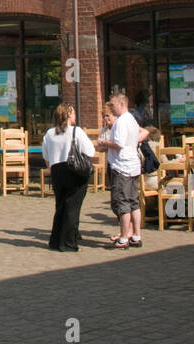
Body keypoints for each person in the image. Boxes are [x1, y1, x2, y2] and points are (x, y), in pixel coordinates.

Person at [41, 103, 96, 252]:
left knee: (60, 206)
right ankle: (68, 242)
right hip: (73, 170)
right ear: (69, 115)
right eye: (73, 113)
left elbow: (46, 156)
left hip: (57, 171)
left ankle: (55, 240)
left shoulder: (50, 133)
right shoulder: (75, 132)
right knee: (72, 207)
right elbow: (90, 151)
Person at [105, 92, 143, 249]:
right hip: (133, 165)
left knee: (123, 203)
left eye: (113, 105)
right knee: (134, 202)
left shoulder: (121, 122)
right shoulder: (133, 120)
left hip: (122, 166)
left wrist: (105, 142)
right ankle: (136, 235)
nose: (111, 108)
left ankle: (124, 237)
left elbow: (119, 144)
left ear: (121, 104)